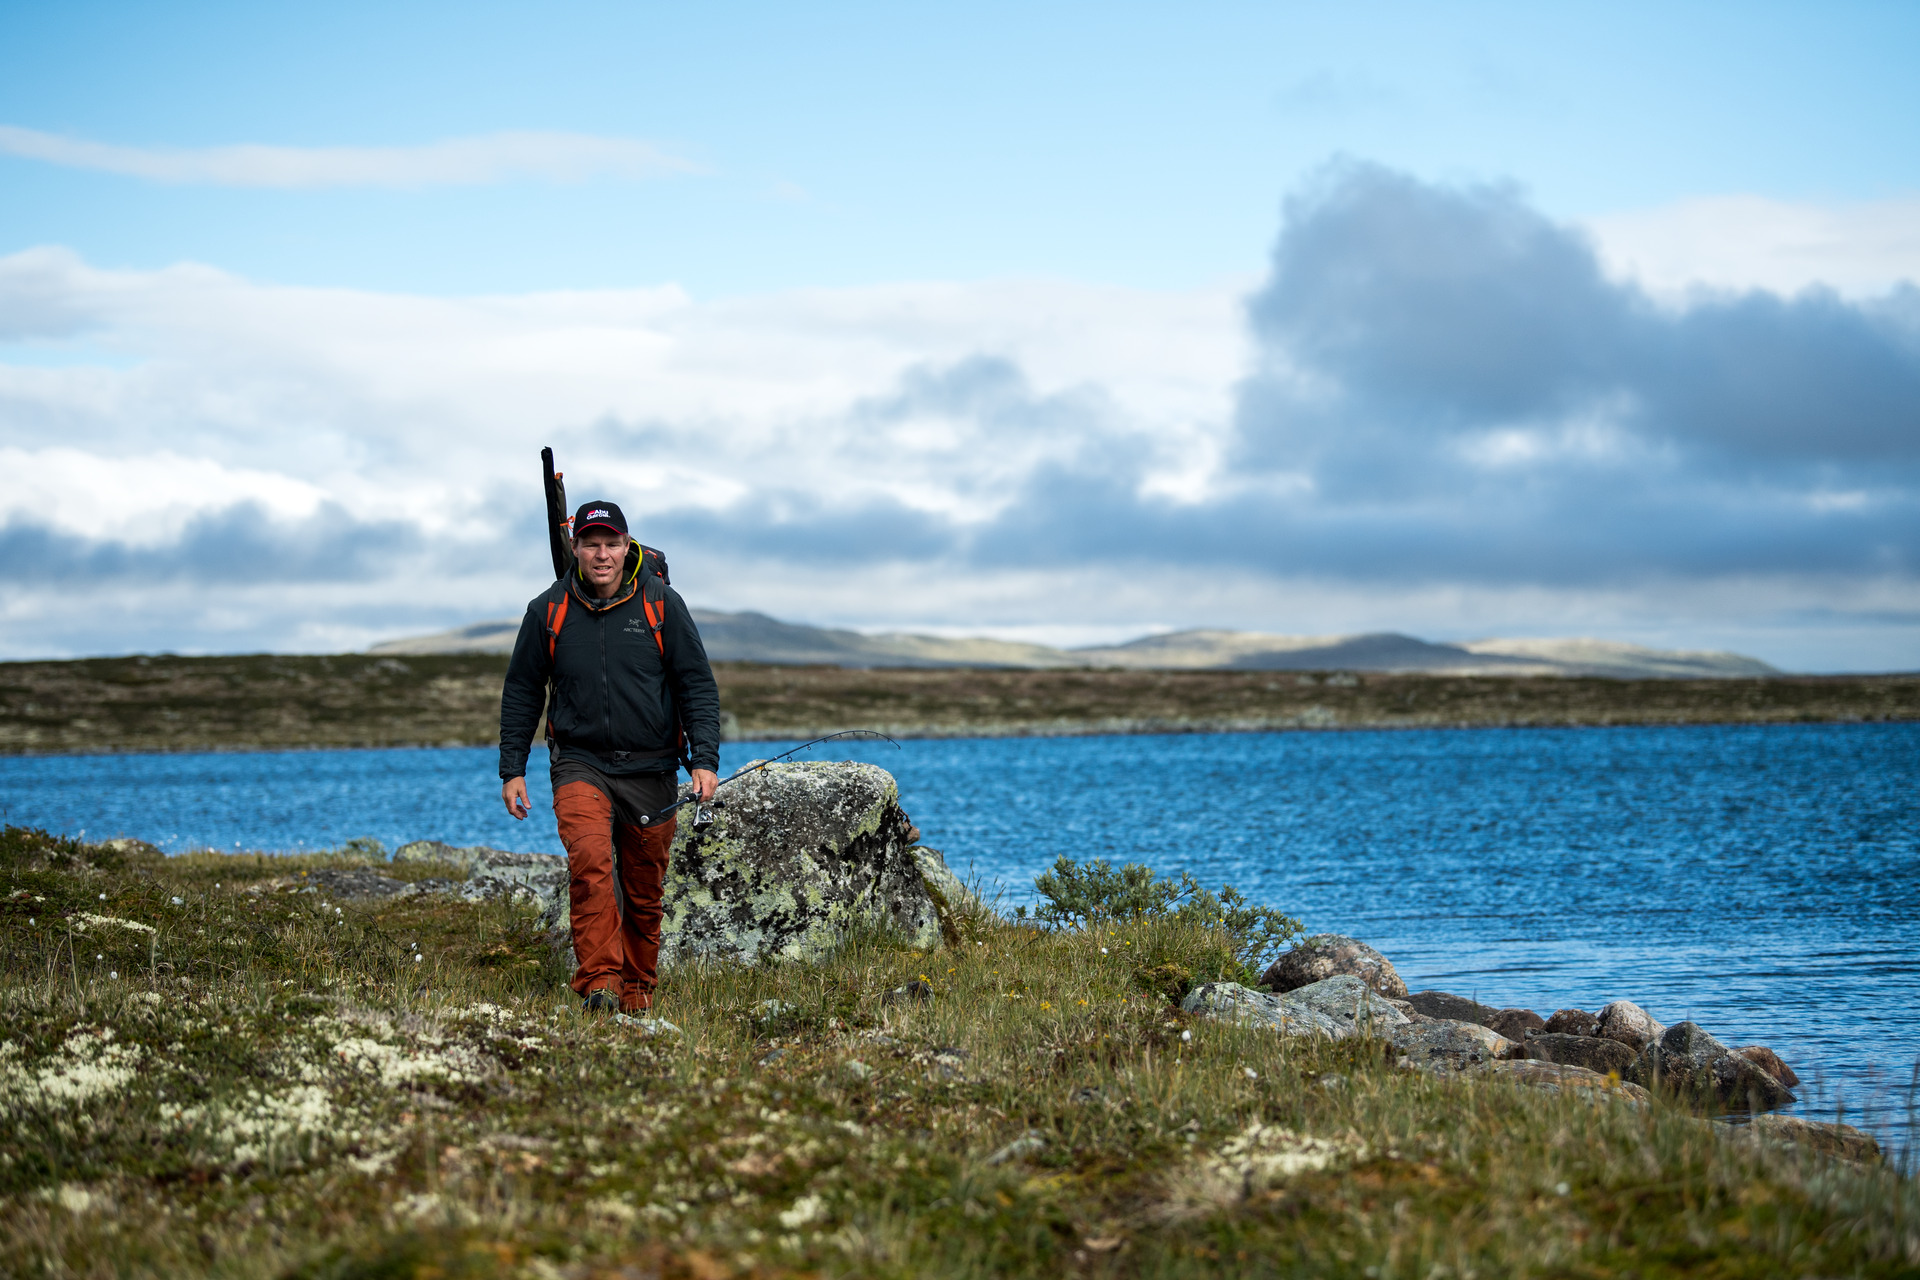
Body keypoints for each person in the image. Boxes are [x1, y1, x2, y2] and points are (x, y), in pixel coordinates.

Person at [498, 500, 720, 1015]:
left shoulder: (662, 604)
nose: (602, 554)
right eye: (591, 543)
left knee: (644, 890)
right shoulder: (546, 611)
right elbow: (522, 692)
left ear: (628, 546)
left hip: (652, 766)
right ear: (573, 546)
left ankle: (637, 990)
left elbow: (696, 685)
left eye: (612, 543)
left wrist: (704, 758)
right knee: (591, 864)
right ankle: (600, 983)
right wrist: (513, 768)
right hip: (580, 762)